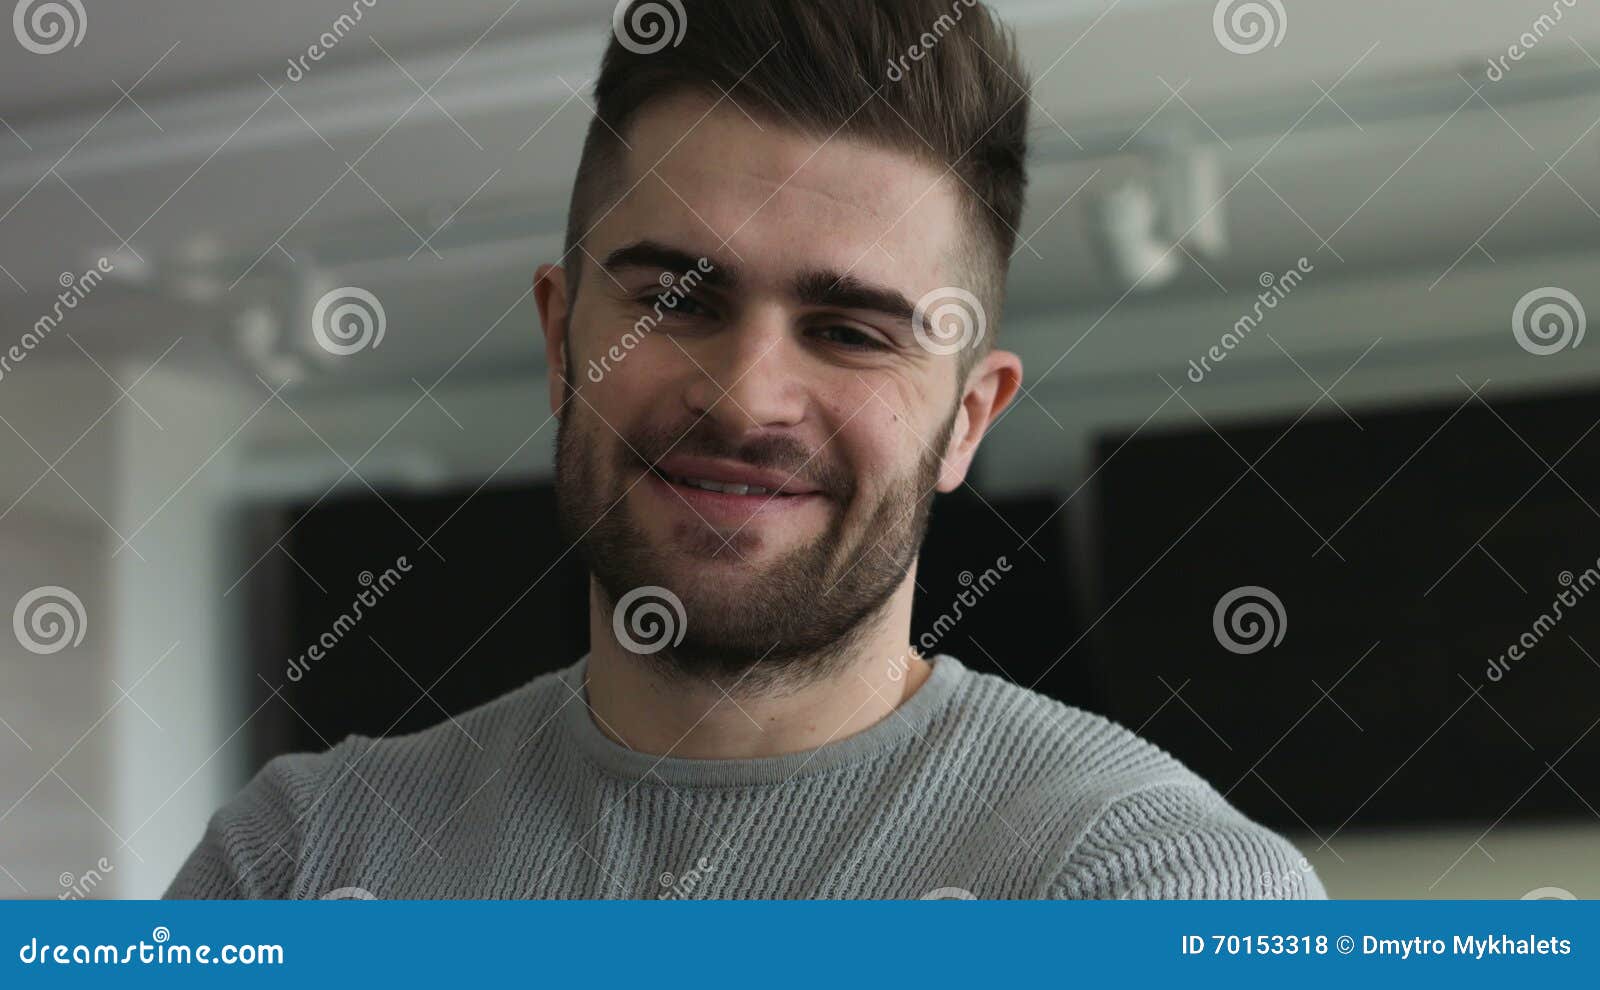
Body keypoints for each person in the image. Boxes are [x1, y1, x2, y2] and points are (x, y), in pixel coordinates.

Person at [167, 0, 1324, 900]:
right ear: (563, 343)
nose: (746, 398)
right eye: (677, 299)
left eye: (849, 332)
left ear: (967, 417)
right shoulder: (300, 860)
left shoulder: (1148, 889)